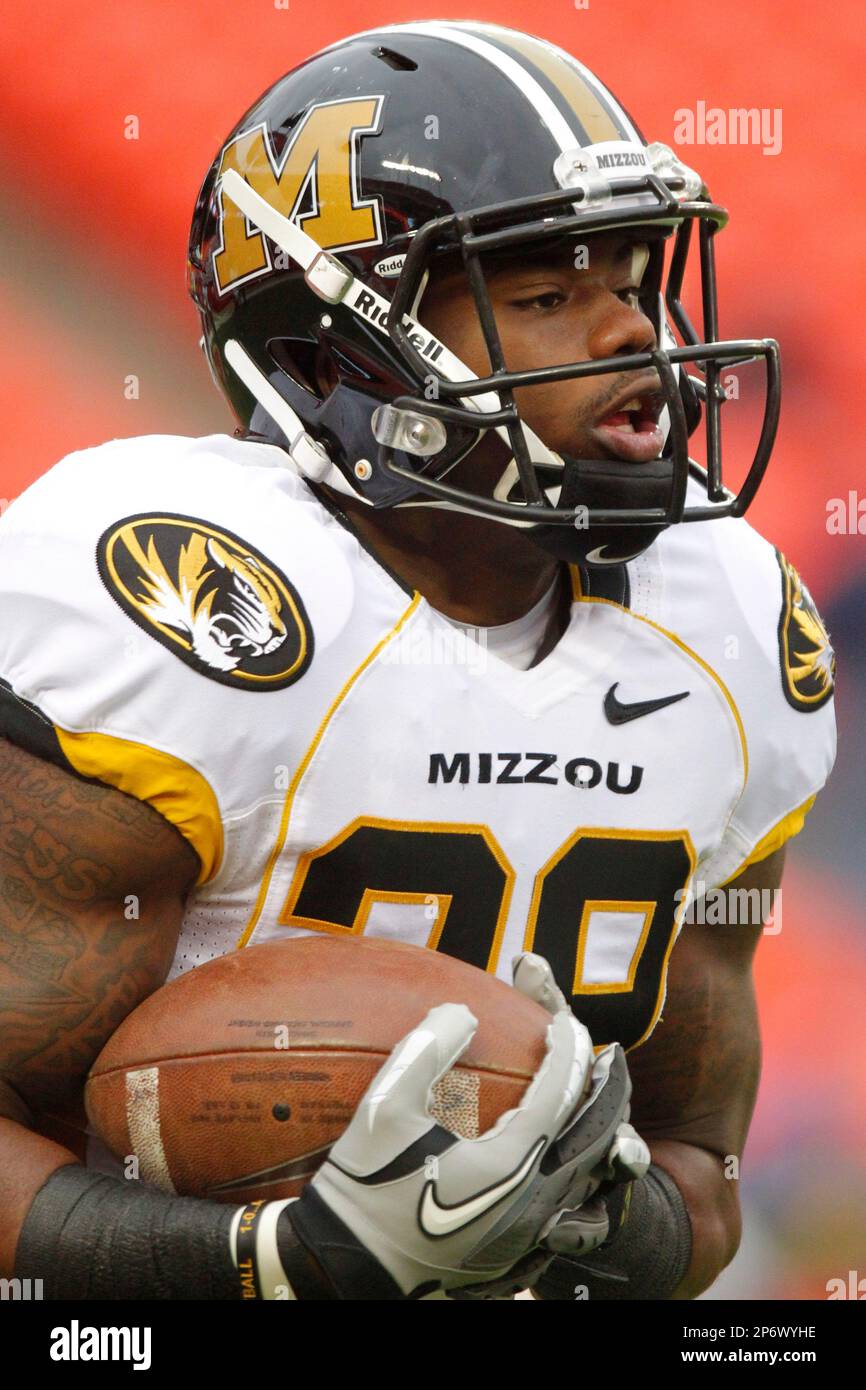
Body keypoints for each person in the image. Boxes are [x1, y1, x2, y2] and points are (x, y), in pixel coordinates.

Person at [0, 20, 835, 1301]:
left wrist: (588, 1225)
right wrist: (271, 1262)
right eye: (550, 295)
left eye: (633, 279)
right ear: (340, 359)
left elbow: (699, 1165)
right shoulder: (190, 603)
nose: (636, 337)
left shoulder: (720, 619)